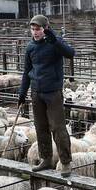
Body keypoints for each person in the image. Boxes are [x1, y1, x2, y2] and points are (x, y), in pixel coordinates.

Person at [16, 15, 76, 175]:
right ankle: (46, 158)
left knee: (58, 128)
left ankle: (65, 161)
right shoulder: (30, 47)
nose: (35, 32)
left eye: (38, 29)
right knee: (40, 127)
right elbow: (26, 71)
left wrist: (54, 38)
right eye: (33, 29)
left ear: (45, 29)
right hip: (36, 92)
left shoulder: (54, 43)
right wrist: (22, 93)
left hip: (53, 92)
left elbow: (70, 53)